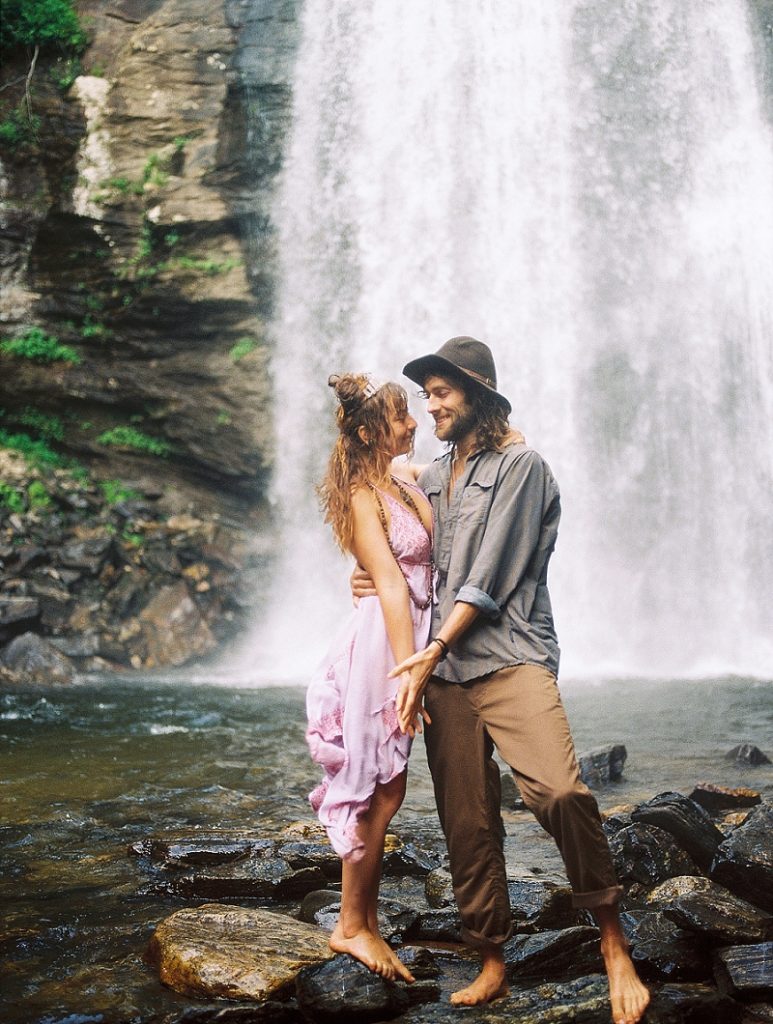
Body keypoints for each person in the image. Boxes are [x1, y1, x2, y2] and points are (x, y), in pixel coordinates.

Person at [355, 337, 650, 1023]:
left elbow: (489, 575)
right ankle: (491, 958)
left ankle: (612, 940)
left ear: (478, 394)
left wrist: (430, 649)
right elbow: (400, 546)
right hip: (443, 673)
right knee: (467, 820)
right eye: (424, 395)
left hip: (510, 656)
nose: (430, 406)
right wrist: (365, 575)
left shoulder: (523, 467)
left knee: (559, 791)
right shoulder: (433, 475)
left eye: (440, 393)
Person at [305, 372, 434, 984]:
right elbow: (388, 584)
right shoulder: (361, 494)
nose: (413, 424)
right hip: (383, 651)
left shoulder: (400, 477)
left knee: (389, 788)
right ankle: (352, 926)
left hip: (406, 642)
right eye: (400, 417)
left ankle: (364, 921)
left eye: (411, 412)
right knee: (376, 787)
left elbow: (453, 476)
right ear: (366, 434)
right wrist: (410, 674)